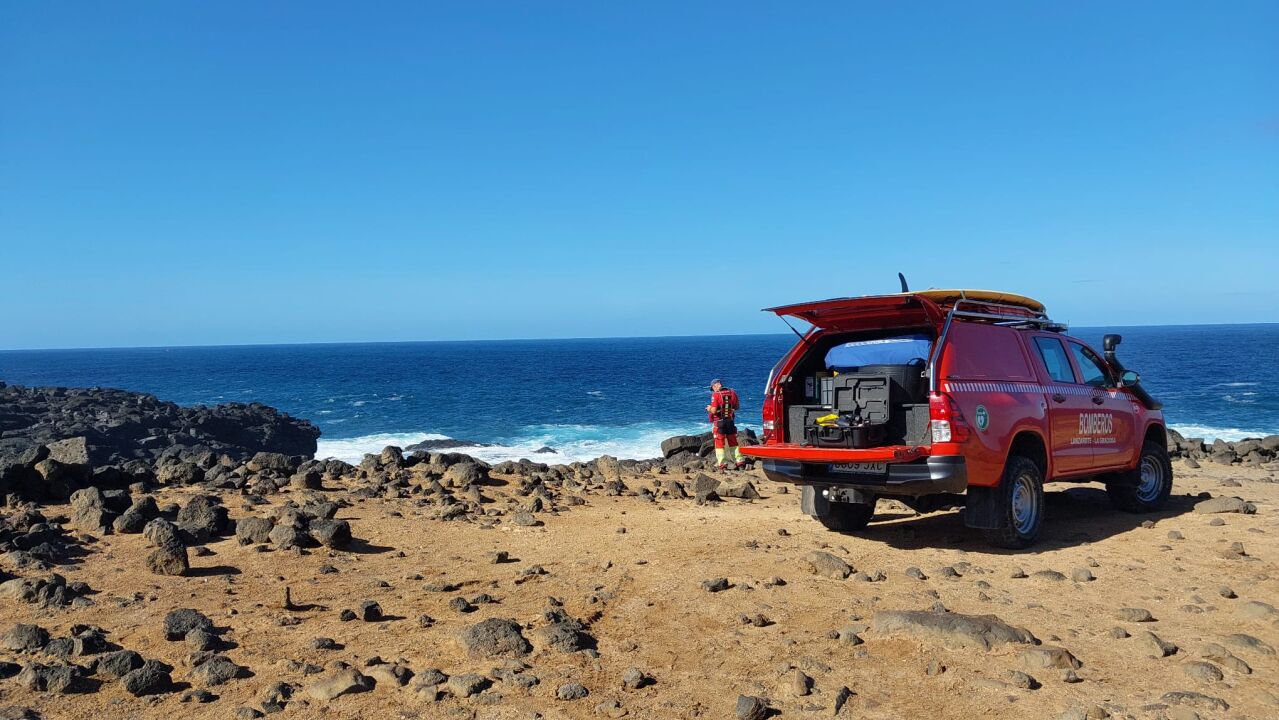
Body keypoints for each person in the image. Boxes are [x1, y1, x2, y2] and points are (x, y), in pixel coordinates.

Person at [706, 379, 746, 470]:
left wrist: (709, 408)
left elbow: (714, 410)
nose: (713, 390)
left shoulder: (716, 395)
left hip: (719, 422)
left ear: (715, 386)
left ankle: (723, 464)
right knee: (733, 442)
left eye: (713, 388)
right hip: (730, 421)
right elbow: (737, 407)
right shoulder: (732, 392)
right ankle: (740, 461)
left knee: (719, 443)